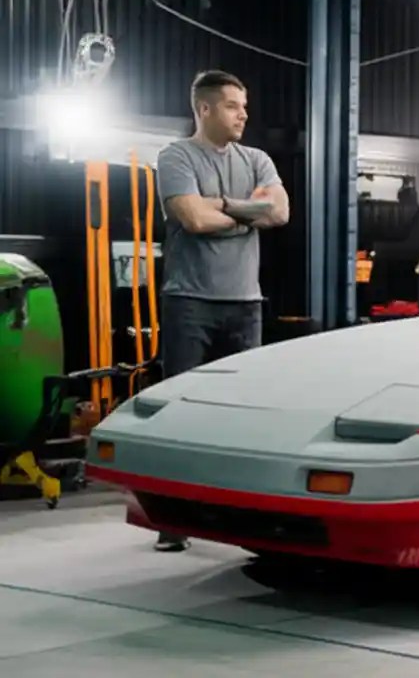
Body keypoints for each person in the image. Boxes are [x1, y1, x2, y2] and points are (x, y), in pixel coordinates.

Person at [151, 70, 290, 552]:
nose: (243, 114)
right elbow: (190, 218)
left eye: (244, 105)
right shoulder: (176, 156)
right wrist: (244, 213)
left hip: (245, 304)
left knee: (242, 416)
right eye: (233, 105)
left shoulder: (256, 159)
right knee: (181, 413)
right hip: (190, 303)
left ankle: (241, 514)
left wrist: (222, 210)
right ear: (205, 109)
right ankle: (173, 519)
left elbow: (280, 212)